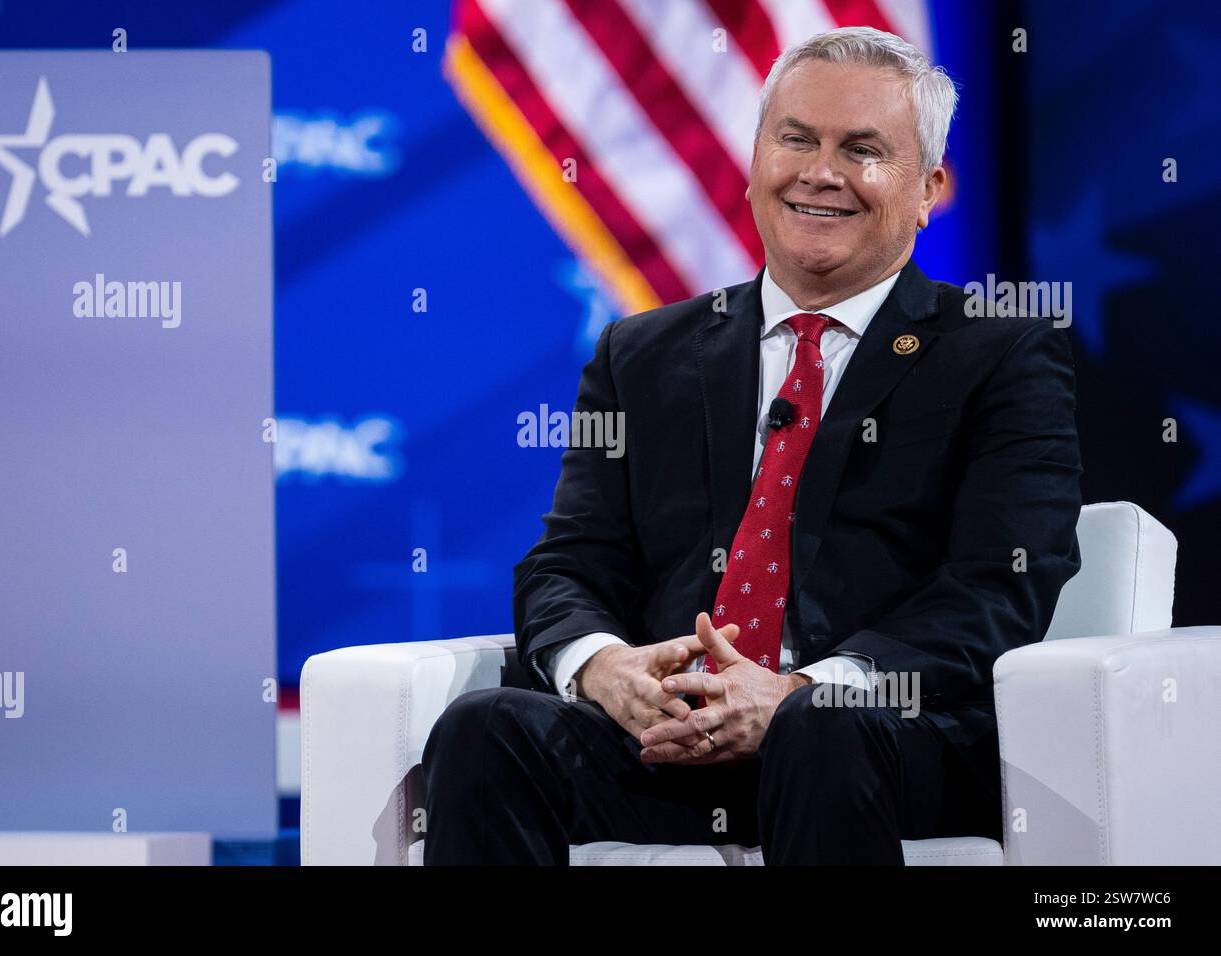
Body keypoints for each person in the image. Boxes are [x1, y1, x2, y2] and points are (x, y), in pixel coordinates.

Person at [422, 25, 1081, 865]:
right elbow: (567, 565)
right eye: (795, 139)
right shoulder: (643, 353)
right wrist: (605, 670)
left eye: (863, 150)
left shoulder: (999, 354)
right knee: (487, 729)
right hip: (670, 740)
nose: (819, 172)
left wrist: (799, 691)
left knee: (821, 731)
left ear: (929, 189)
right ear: (755, 159)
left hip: (879, 742)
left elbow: (999, 586)